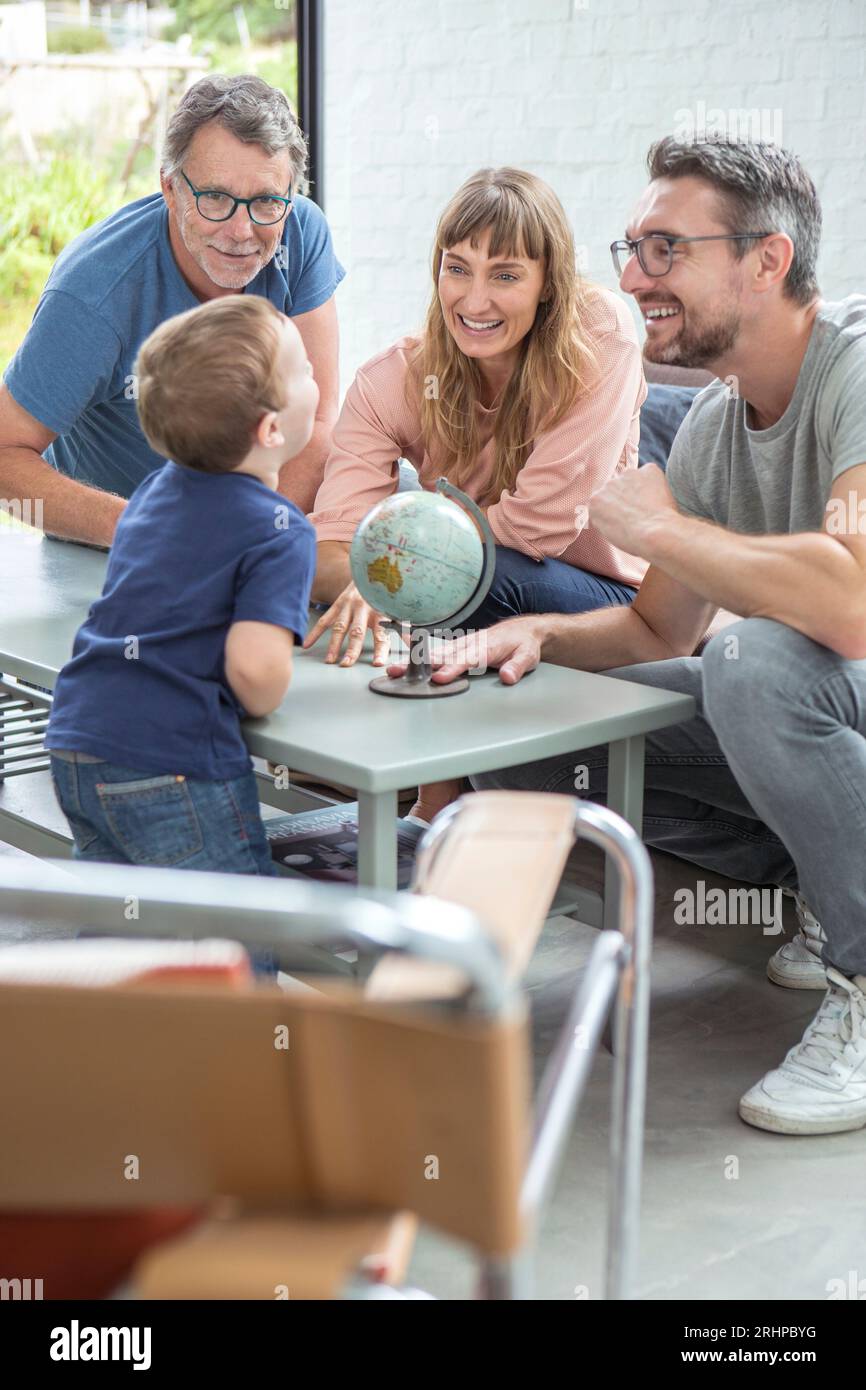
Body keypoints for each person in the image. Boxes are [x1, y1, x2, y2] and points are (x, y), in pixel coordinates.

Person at [390, 137, 866, 1138]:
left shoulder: (853, 369)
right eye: (628, 247)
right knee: (527, 747)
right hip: (831, 712)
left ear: (765, 260)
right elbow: (657, 625)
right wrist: (529, 635)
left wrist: (660, 527)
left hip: (835, 677)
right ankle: (821, 873)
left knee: (755, 662)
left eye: (663, 249)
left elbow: (853, 605)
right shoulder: (707, 425)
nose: (628, 276)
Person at [305, 166, 662, 822]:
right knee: (315, 596)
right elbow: (332, 543)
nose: (475, 299)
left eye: (505, 274)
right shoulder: (394, 379)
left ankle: (431, 807)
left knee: (459, 573)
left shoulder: (599, 333)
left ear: (547, 283)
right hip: (477, 580)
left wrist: (399, 565)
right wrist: (376, 576)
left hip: (603, 594)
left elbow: (539, 526)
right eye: (457, 268)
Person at [0, 73, 344, 546]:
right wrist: (153, 530)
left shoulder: (302, 231)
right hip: (118, 551)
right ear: (170, 188)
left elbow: (320, 418)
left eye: (266, 201)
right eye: (216, 198)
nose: (242, 230)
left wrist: (251, 539)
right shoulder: (91, 294)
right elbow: (4, 454)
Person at [44, 294, 318, 877]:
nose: (315, 374)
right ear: (271, 428)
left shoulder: (153, 491)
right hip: (170, 762)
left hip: (78, 736)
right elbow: (255, 673)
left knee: (127, 934)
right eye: (303, 371)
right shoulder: (281, 531)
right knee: (227, 936)